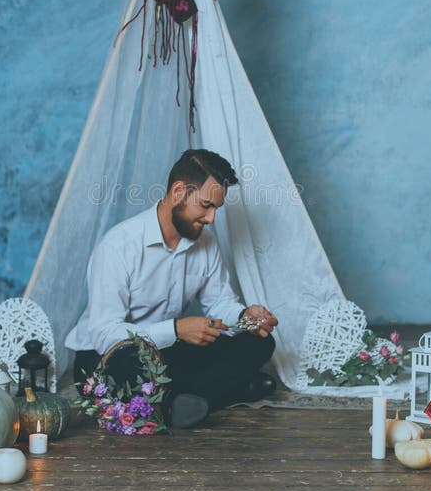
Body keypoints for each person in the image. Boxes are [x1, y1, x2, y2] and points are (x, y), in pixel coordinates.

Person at [66, 149, 278, 428]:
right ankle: (213, 393)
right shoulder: (119, 246)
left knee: (260, 342)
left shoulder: (207, 243)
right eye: (205, 206)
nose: (211, 218)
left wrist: (245, 317)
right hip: (108, 355)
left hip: (168, 354)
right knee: (129, 364)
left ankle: (179, 400)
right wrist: (177, 329)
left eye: (216, 209)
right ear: (178, 191)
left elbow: (220, 303)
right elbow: (105, 334)